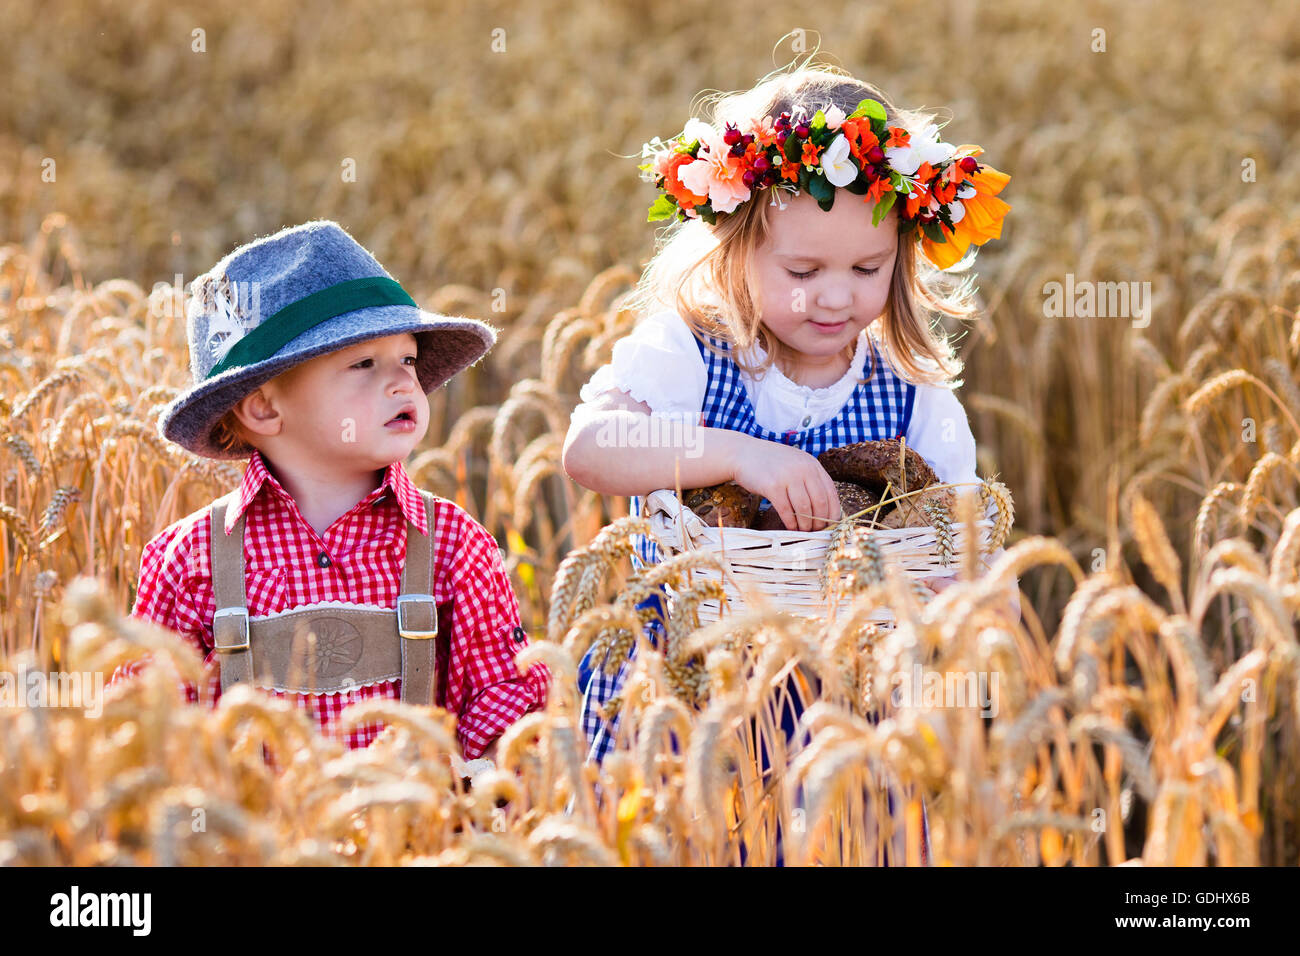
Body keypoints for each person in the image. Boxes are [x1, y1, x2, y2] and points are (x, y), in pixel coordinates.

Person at [562, 63, 1021, 861]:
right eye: (802, 272)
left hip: (849, 712)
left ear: (903, 260)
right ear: (734, 249)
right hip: (691, 690)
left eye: (867, 270)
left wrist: (977, 602)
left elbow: (967, 536)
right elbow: (588, 449)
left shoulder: (914, 398)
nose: (835, 298)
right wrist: (740, 456)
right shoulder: (693, 354)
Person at [115, 220, 549, 767]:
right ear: (264, 407)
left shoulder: (454, 546)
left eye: (408, 360)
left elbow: (503, 710)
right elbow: (151, 737)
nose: (401, 383)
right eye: (363, 364)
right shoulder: (190, 562)